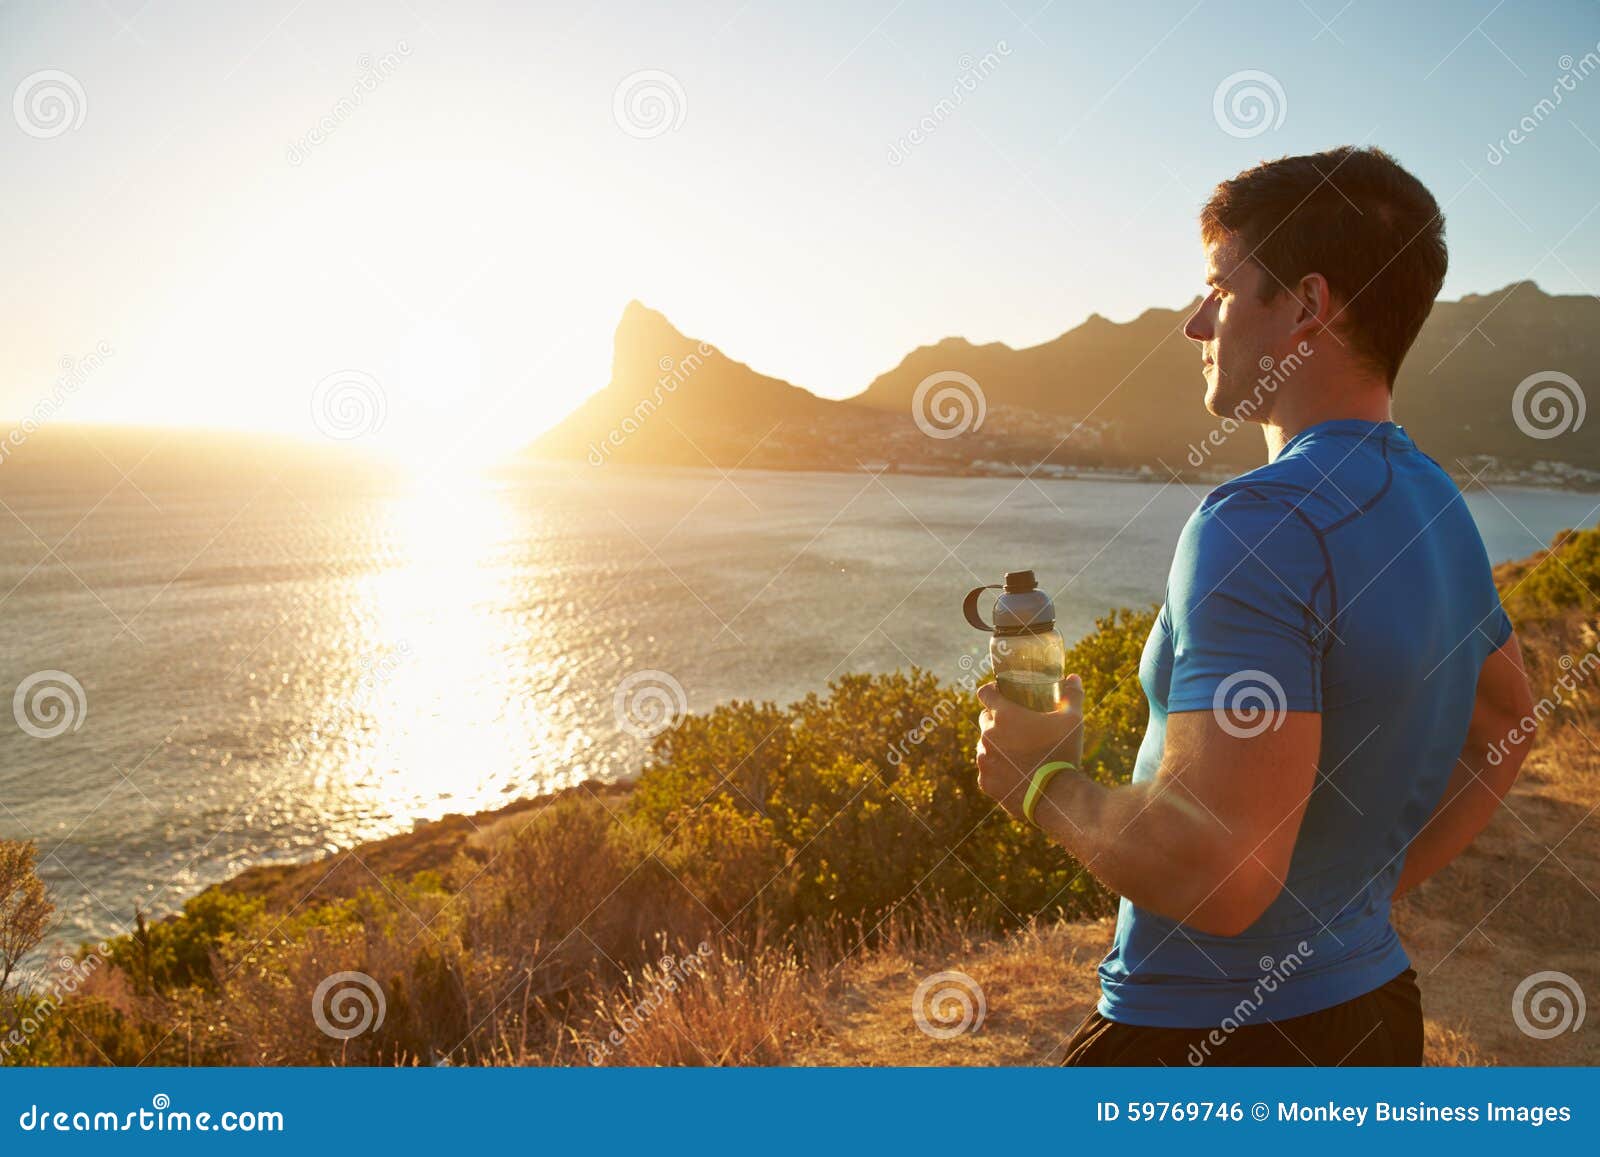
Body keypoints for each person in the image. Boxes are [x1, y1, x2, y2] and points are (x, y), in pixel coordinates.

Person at [974, 146, 1536, 1066]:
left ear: (1307, 307)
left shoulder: (1258, 523)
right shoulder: (1435, 500)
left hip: (1203, 1038)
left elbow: (1219, 875)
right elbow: (1508, 722)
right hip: (1373, 1006)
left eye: (1220, 291)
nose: (1196, 324)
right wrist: (1354, 903)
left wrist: (1040, 782)